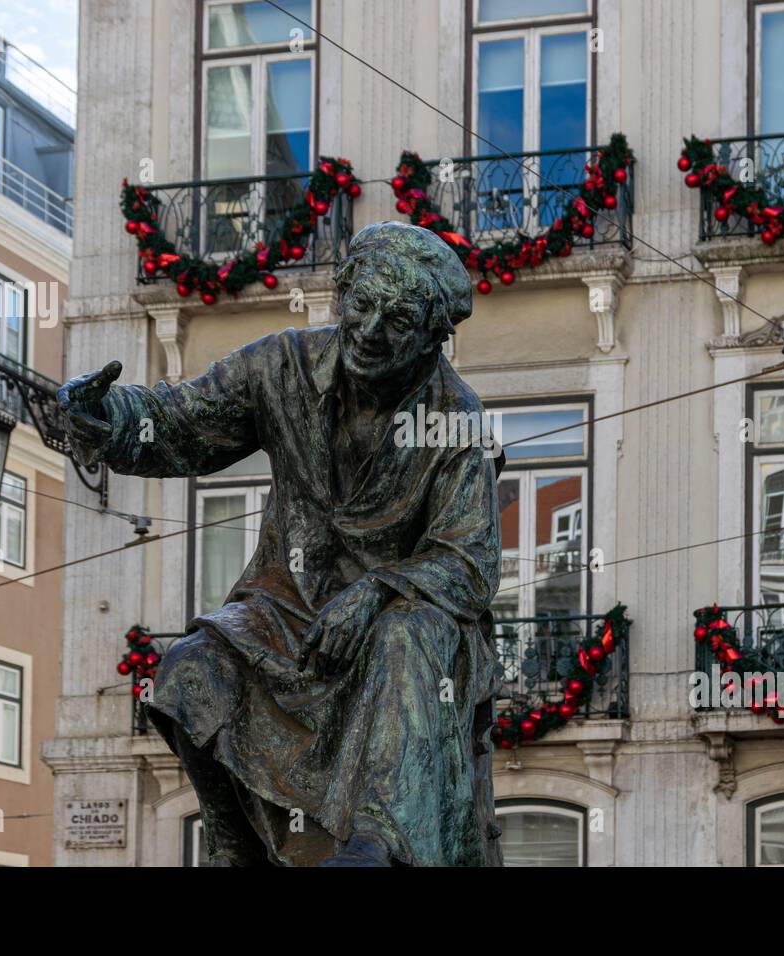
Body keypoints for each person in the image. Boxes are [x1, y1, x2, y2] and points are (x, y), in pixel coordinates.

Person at [58, 221, 505, 866]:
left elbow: (469, 561)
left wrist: (376, 593)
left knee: (404, 639)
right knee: (191, 666)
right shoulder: (282, 366)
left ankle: (375, 847)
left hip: (405, 626)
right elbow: (187, 419)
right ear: (342, 295)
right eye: (363, 303)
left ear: (435, 338)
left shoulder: (455, 417)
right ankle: (235, 852)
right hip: (287, 611)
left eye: (400, 320)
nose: (373, 330)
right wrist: (109, 417)